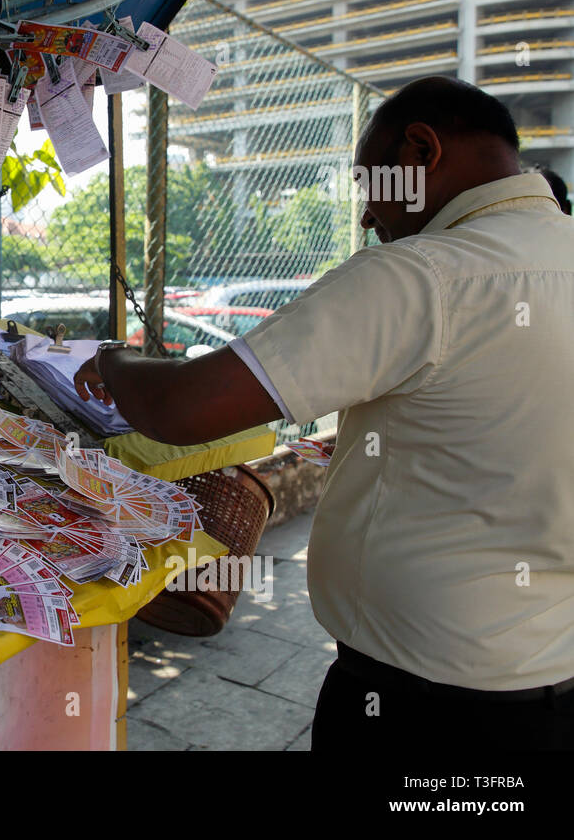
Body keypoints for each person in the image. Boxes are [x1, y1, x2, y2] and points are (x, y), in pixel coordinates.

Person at [74, 76, 574, 751]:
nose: (368, 215)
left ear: (419, 151)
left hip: (423, 708)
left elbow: (181, 407)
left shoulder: (425, 274)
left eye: (372, 186)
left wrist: (110, 362)